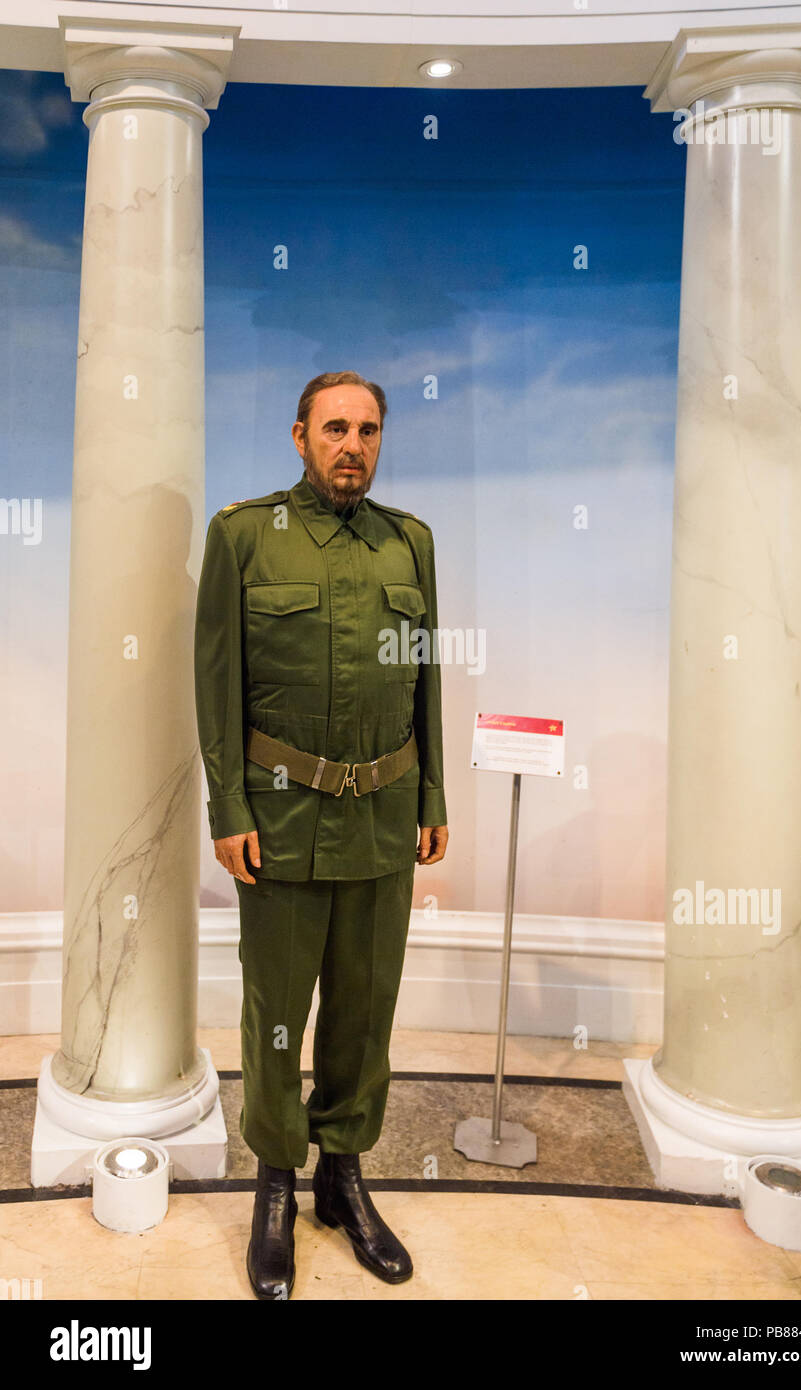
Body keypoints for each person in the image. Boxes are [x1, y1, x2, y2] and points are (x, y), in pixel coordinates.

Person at [194, 370, 448, 1299]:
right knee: (275, 1016)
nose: (354, 445)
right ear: (298, 435)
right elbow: (214, 684)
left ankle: (342, 1180)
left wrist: (433, 800)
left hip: (384, 819)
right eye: (335, 428)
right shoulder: (243, 536)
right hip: (282, 823)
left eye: (369, 430)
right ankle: (274, 1185)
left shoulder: (409, 545)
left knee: (363, 1013)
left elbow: (425, 686)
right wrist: (229, 810)